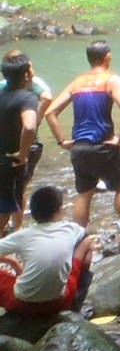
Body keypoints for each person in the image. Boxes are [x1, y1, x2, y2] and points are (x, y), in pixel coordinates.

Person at [40, 41, 120, 247]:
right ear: (108, 57)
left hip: (79, 148)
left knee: (85, 193)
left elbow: (50, 112)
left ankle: (80, 238)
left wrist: (62, 141)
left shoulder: (77, 83)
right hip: (104, 146)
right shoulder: (111, 80)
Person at [0, 186, 94, 317]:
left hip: (20, 304)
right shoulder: (71, 229)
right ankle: (77, 301)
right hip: (59, 302)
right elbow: (86, 236)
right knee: (87, 243)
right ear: (60, 211)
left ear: (32, 213)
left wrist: (9, 260)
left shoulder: (23, 235)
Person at [0, 51, 47, 236]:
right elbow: (29, 127)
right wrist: (22, 153)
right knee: (6, 206)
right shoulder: (27, 98)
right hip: (9, 161)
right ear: (27, 74)